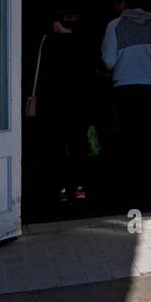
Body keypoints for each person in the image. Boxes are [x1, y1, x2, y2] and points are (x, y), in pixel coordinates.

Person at [102, 0, 151, 201]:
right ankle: (150, 183)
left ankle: (129, 186)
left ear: (124, 4)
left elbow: (108, 61)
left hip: (124, 87)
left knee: (127, 134)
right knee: (148, 133)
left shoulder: (115, 25)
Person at [34, 12, 94, 203]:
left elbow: (42, 77)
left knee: (56, 147)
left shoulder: (49, 43)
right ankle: (79, 187)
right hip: (78, 104)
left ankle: (60, 188)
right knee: (78, 147)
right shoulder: (83, 44)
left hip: (55, 104)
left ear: (58, 23)